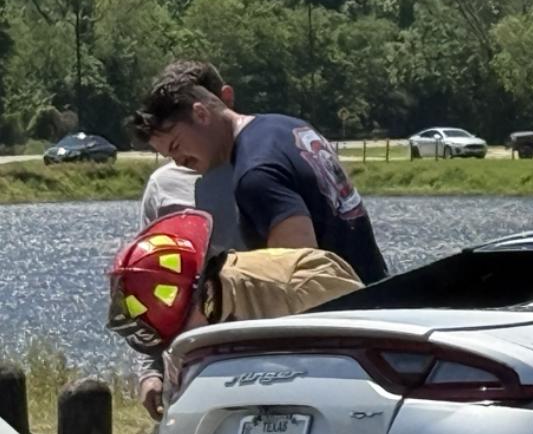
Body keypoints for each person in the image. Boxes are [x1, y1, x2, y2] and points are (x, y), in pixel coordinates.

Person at [130, 77, 388, 287]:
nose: (178, 162)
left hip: (345, 317)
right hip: (377, 292)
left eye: (176, 146)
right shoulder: (288, 126)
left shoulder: (255, 175)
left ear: (201, 114)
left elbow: (301, 279)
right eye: (169, 156)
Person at [106, 210, 362, 374]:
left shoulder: (306, 282)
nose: (185, 349)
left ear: (207, 296)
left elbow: (363, 372)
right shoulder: (183, 344)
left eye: (185, 335)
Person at [134, 61, 243, 417]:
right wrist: (149, 370)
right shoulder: (162, 186)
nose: (181, 159)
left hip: (257, 350)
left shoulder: (258, 167)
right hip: (190, 363)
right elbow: (150, 283)